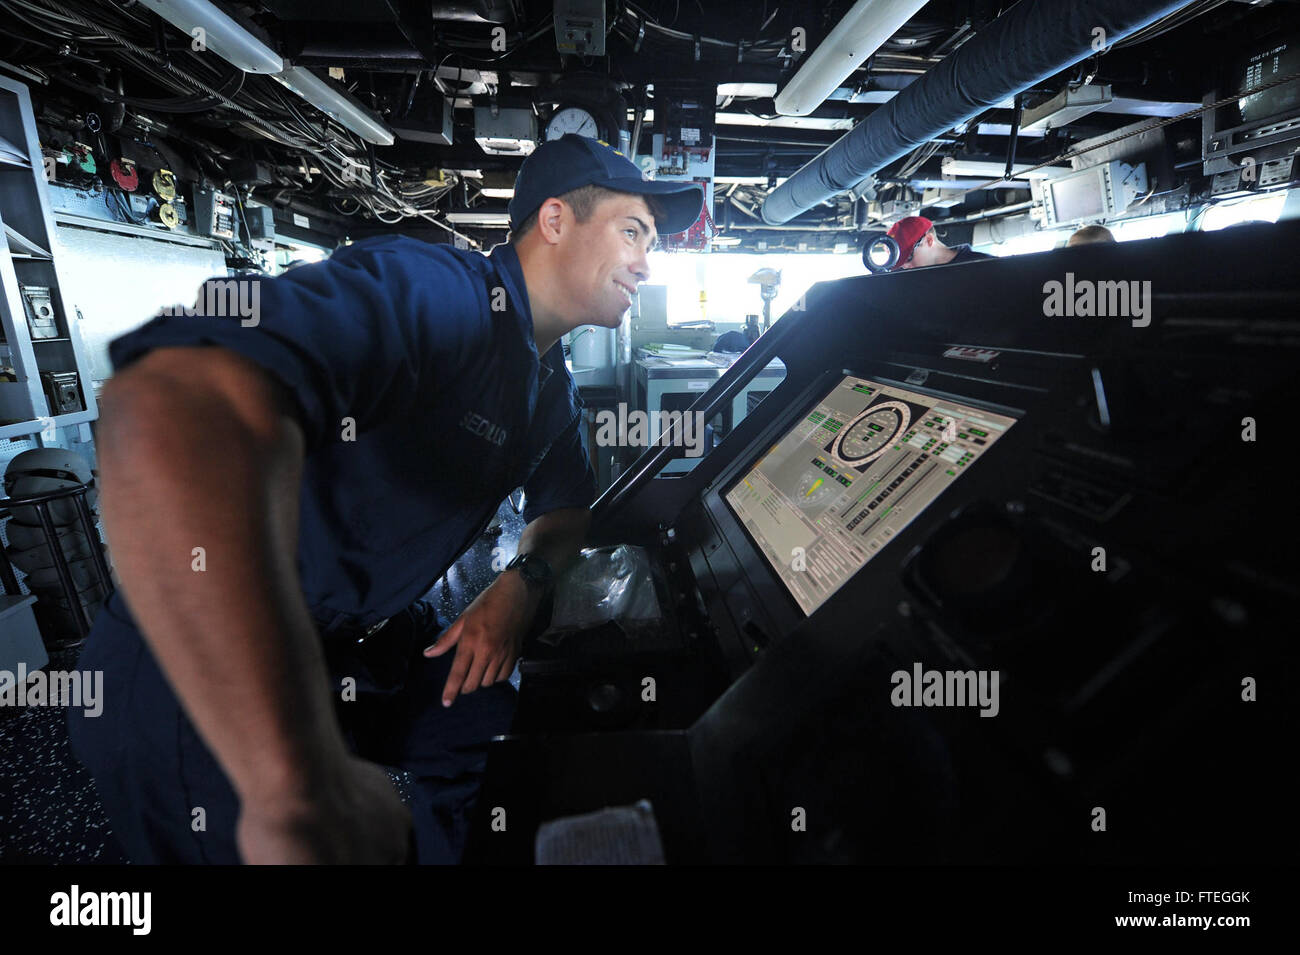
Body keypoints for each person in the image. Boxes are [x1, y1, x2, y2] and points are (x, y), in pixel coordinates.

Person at [66, 134, 704, 865]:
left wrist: (518, 588)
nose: (646, 263)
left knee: (479, 708)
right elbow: (169, 401)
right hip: (194, 660)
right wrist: (290, 780)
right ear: (554, 220)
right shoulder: (440, 295)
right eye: (633, 232)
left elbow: (565, 515)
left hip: (345, 641)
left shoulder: (547, 384)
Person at [887, 215, 992, 270]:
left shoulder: (984, 265)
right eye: (901, 263)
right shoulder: (919, 283)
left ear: (929, 240)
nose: (906, 266)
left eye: (908, 258)